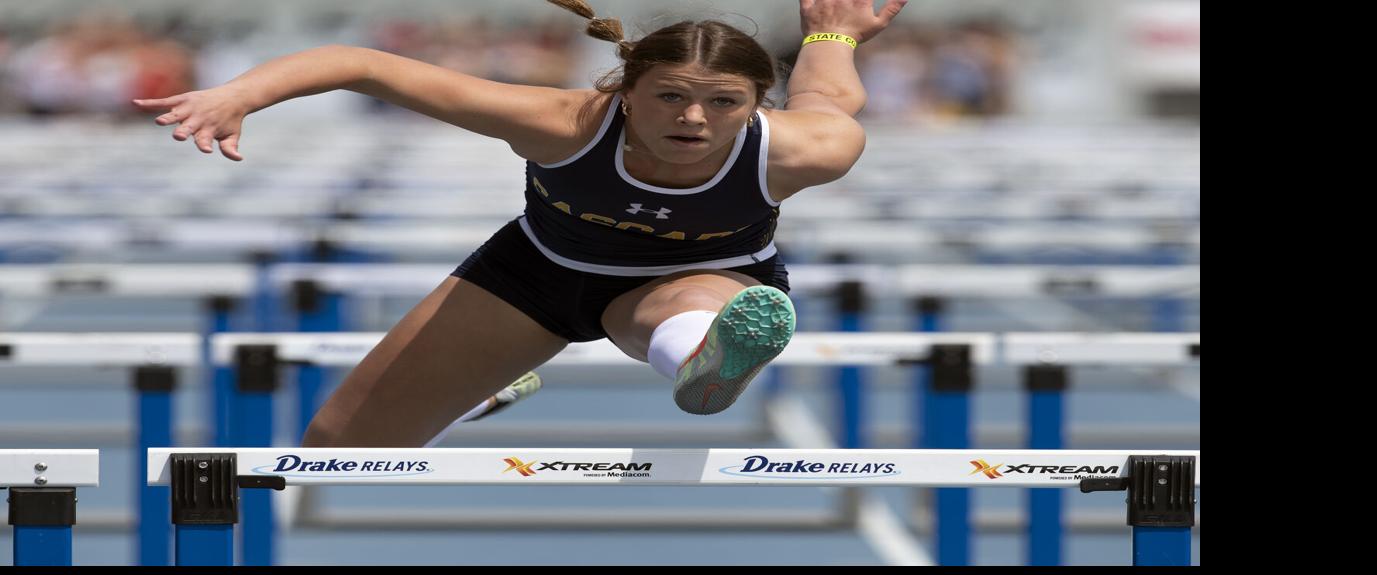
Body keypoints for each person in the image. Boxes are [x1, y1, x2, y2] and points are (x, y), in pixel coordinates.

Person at [132, 0, 908, 447]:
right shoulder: (560, 122)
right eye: (670, 96)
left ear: (754, 104)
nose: (694, 119)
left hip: (698, 276)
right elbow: (361, 63)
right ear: (627, 92)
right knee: (336, 449)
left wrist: (832, 36)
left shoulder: (805, 150)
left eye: (724, 103)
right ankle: (484, 383)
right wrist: (237, 95)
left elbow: (830, 99)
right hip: (533, 276)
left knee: (687, 313)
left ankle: (706, 359)